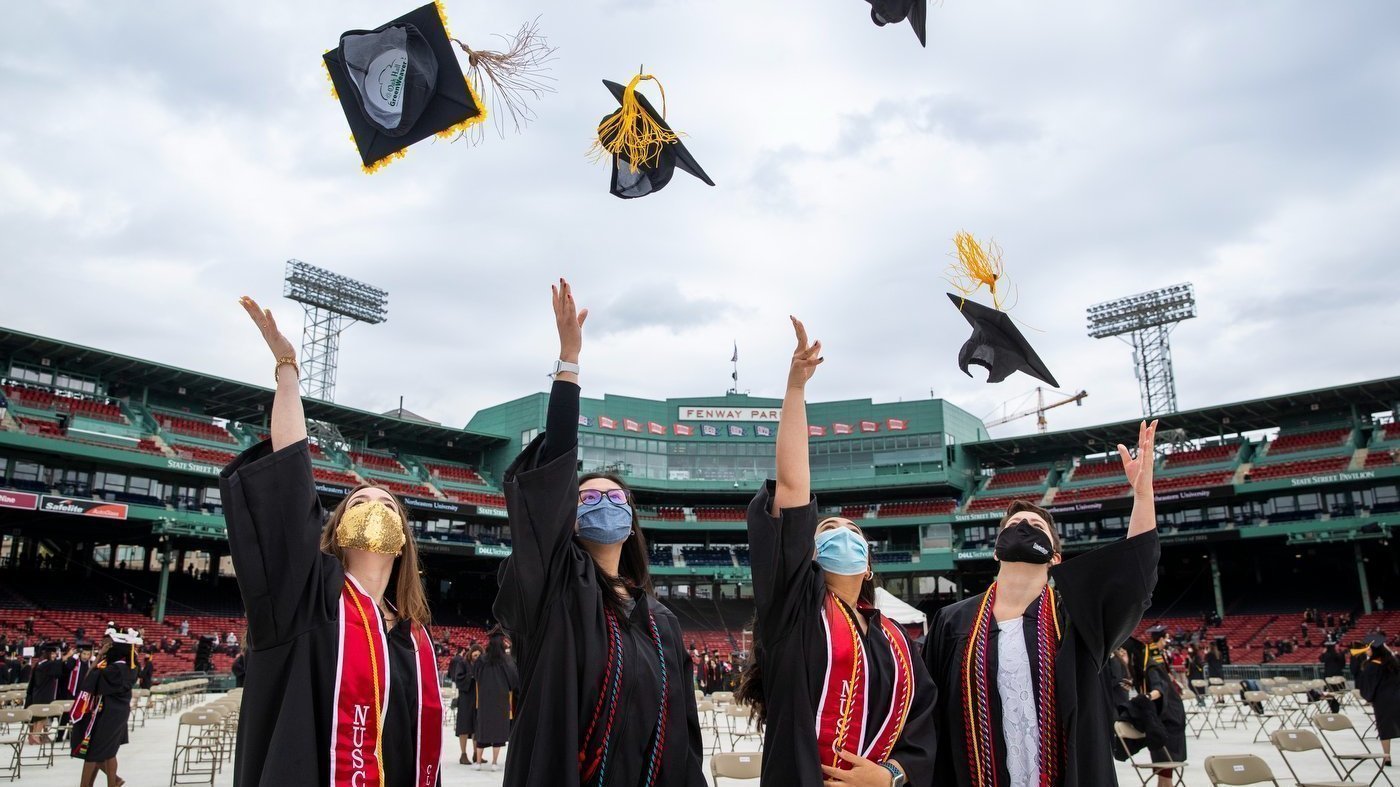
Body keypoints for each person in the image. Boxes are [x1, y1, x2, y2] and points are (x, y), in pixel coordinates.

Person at [220, 295, 443, 786]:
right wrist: (287, 371)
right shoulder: (307, 598)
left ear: (404, 540)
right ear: (335, 529)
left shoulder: (412, 637)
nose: (375, 508)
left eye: (388, 506)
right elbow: (289, 481)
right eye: (359, 503)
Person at [492, 279, 704, 787]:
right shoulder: (556, 592)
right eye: (589, 497)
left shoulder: (661, 623)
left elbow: (684, 737)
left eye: (615, 499)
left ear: (631, 523)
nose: (604, 504)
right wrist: (568, 363)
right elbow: (546, 491)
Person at [735, 316, 938, 787]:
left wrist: (889, 776)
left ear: (868, 563)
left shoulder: (900, 642)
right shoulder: (794, 611)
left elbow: (924, 730)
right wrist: (795, 390)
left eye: (852, 531)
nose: (841, 532)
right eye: (827, 528)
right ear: (810, 551)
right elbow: (792, 487)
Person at [925, 420, 1161, 787]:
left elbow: (1134, 580)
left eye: (1035, 525)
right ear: (996, 549)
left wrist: (1143, 496)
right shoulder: (952, 622)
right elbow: (928, 710)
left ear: (1055, 558)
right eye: (1014, 523)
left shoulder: (1077, 619)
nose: (1023, 526)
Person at [69, 629, 140, 787]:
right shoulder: (132, 667)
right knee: (109, 752)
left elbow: (88, 677)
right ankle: (113, 782)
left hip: (107, 714)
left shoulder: (114, 670)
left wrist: (100, 655)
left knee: (93, 752)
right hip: (118, 713)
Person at [1135, 628, 1187, 787]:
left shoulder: (1156, 655)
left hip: (1168, 710)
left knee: (1166, 769)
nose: (1167, 642)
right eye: (1166, 638)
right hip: (1164, 710)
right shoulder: (1150, 655)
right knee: (1164, 769)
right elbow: (1157, 683)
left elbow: (1161, 682)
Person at [471, 628, 519, 772]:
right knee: (498, 731)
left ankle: (478, 762)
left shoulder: (482, 659)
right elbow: (513, 680)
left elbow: (476, 676)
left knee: (483, 729)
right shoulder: (507, 660)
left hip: (485, 700)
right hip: (501, 700)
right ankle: (494, 763)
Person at [1358, 643, 1399, 766]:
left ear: (1375, 651)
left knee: (1385, 728)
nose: (1367, 651)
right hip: (1398, 696)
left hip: (1383, 700)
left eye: (1369, 649)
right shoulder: (1394, 663)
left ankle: (1387, 757)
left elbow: (1368, 685)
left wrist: (1368, 697)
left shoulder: (1372, 666)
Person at [453, 646, 483, 765]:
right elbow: (458, 679)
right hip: (465, 699)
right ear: (471, 654)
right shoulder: (463, 664)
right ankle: (463, 754)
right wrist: (470, 676)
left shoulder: (482, 665)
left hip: (477, 700)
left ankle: (477, 753)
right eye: (475, 655)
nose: (477, 658)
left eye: (479, 656)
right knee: (464, 728)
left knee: (477, 728)